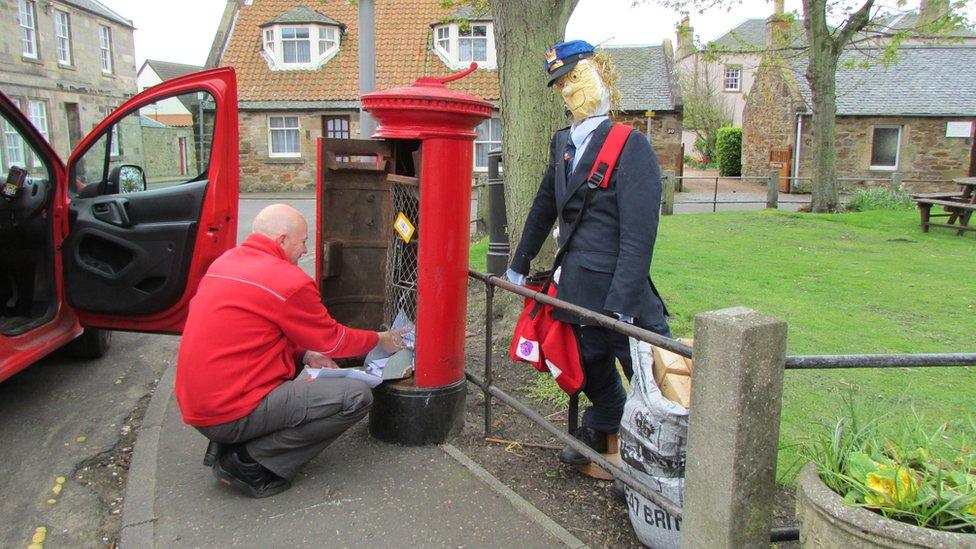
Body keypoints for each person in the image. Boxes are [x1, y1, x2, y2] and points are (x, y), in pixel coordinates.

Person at [507, 40, 671, 466]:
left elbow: (640, 235)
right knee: (589, 365)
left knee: (648, 383)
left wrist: (621, 303)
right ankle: (605, 424)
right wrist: (518, 263)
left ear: (600, 75)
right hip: (575, 285)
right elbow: (545, 206)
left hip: (620, 294)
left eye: (574, 77)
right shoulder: (562, 141)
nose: (567, 90)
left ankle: (649, 467)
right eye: (560, 83)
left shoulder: (630, 144)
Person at [175, 204, 406, 498]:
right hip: (229, 411)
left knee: (304, 371)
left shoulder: (225, 262)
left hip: (198, 405)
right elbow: (333, 341)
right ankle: (251, 462)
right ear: (282, 241)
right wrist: (380, 338)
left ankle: (230, 442)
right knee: (355, 397)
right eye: (303, 241)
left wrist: (305, 354)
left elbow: (260, 333)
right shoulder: (287, 280)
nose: (306, 250)